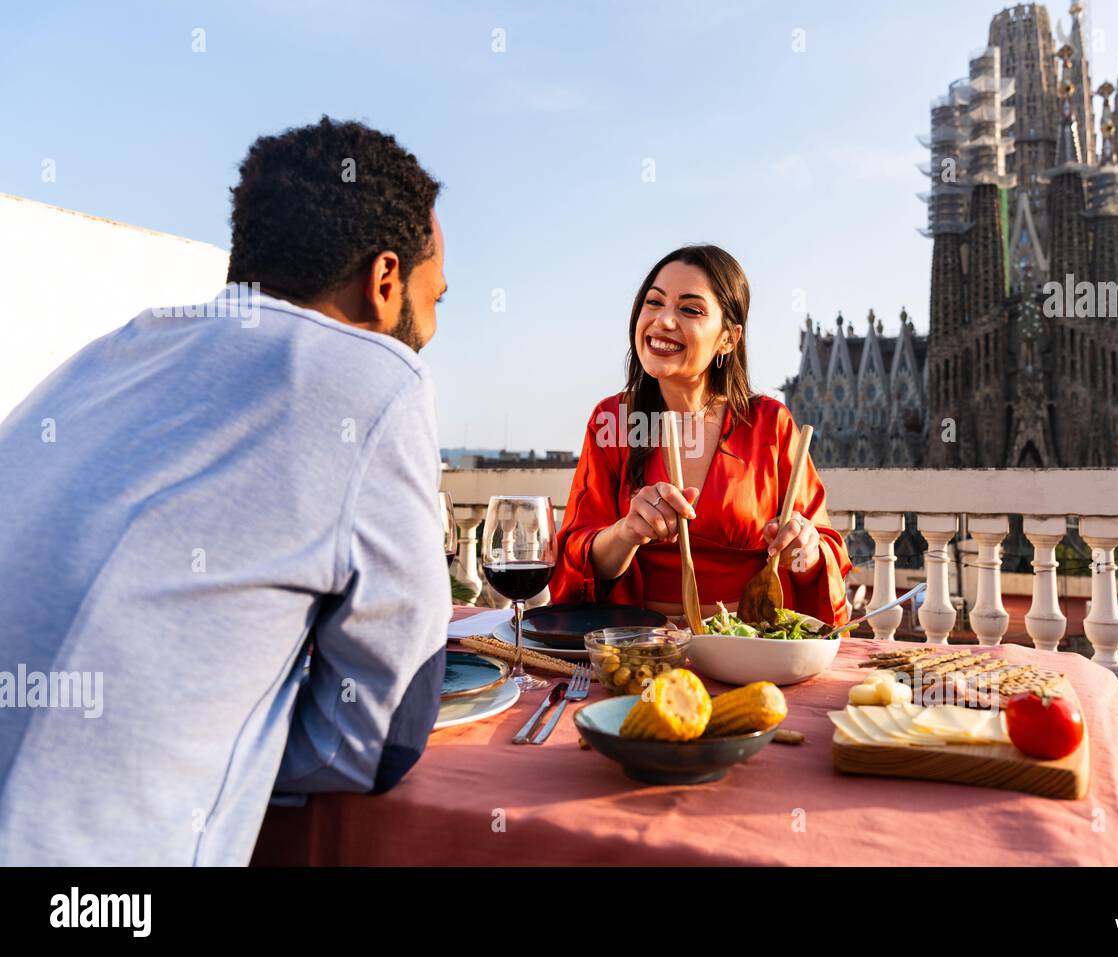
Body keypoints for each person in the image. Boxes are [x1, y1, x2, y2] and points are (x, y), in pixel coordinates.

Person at [0, 117, 451, 865]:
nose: (428, 334)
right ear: (384, 282)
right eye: (433, 305)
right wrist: (215, 731)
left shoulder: (100, 358)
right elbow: (382, 736)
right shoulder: (379, 378)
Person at [550, 245, 853, 626]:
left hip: (751, 649)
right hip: (641, 648)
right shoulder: (613, 419)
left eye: (689, 309)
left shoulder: (770, 424)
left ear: (728, 338)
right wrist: (628, 532)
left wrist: (805, 551)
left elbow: (822, 553)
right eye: (653, 303)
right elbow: (579, 563)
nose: (663, 320)